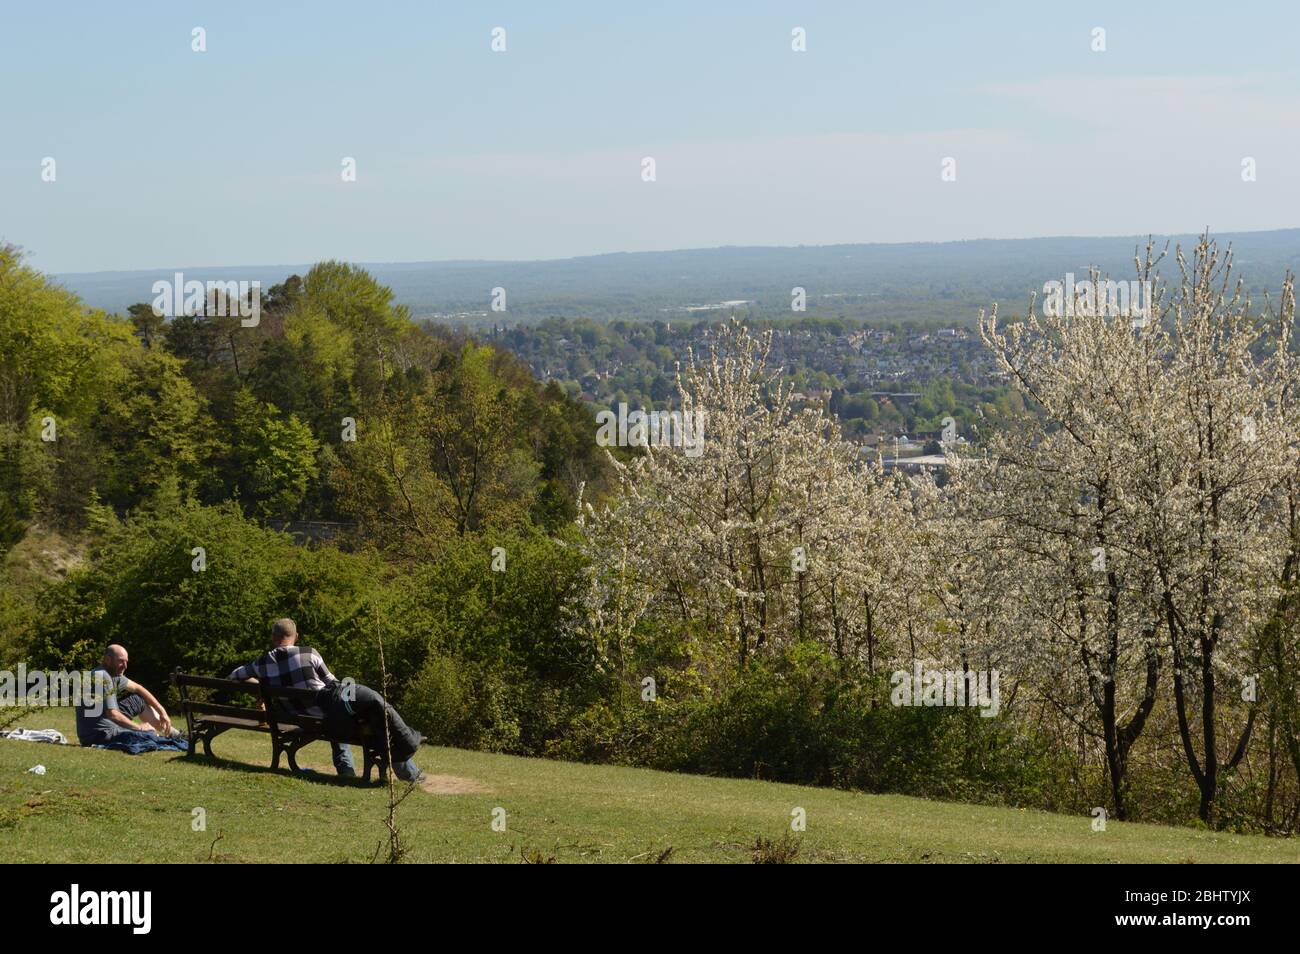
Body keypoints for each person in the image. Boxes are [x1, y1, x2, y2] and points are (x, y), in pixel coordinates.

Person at [228, 618, 425, 782]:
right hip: (327, 717)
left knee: (336, 713)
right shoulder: (308, 653)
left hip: (298, 719)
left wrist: (262, 689)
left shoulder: (262, 663)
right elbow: (333, 683)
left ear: (273, 638)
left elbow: (234, 676)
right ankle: (409, 775)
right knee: (369, 717)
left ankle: (347, 772)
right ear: (296, 637)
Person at [75, 644, 182, 747]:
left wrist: (162, 711)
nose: (125, 666)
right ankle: (173, 736)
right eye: (121, 661)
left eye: (126, 662)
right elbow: (113, 715)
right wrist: (140, 727)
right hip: (99, 735)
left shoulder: (111, 673)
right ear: (107, 660)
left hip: (101, 724)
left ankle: (174, 733)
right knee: (149, 736)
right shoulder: (103, 676)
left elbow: (138, 688)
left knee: (138, 700)